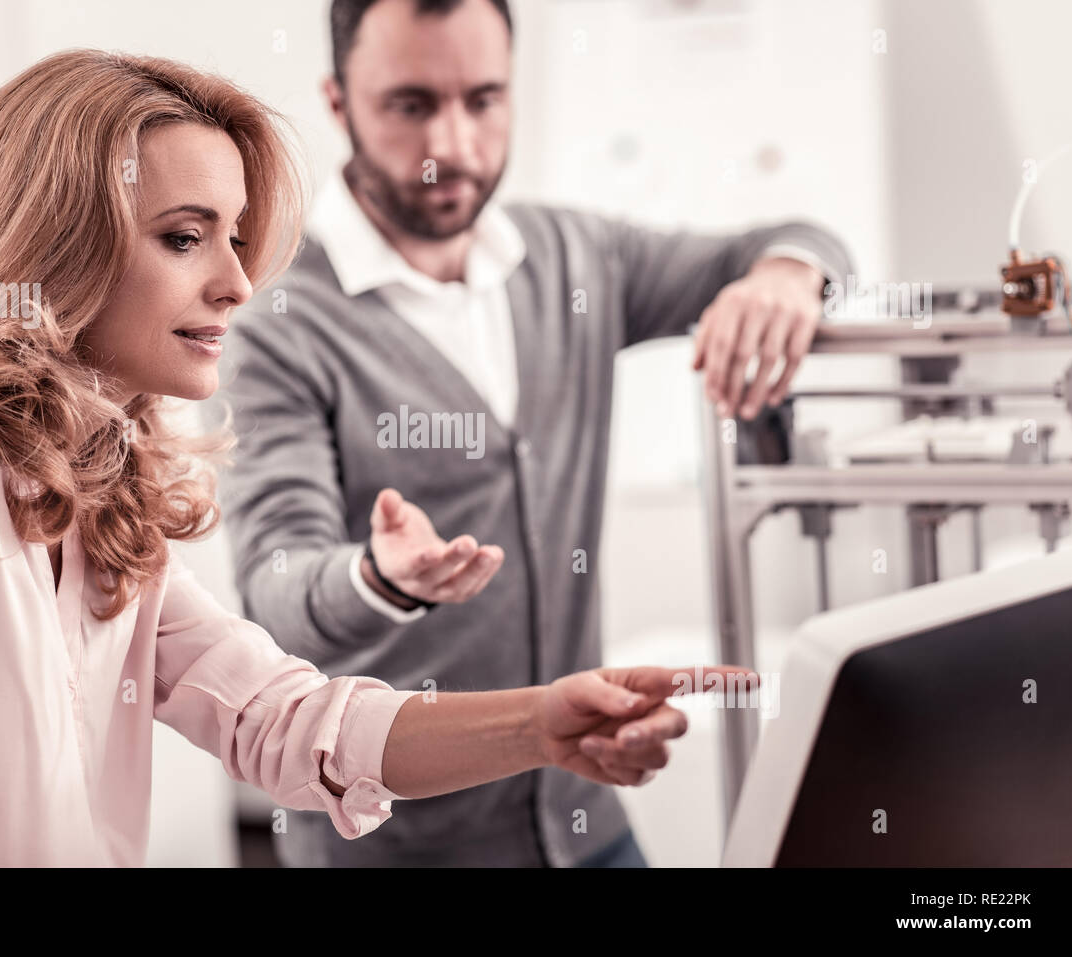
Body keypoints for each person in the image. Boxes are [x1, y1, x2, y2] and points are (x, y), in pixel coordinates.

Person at [0, 48, 737, 868]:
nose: (238, 282)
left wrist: (539, 725)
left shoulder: (98, 481)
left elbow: (284, 716)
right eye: (185, 237)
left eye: (235, 239)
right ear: (52, 243)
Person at [215, 0, 852, 867]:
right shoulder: (277, 316)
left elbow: (796, 237)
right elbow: (276, 585)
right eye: (411, 105)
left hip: (585, 819)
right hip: (393, 845)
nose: (457, 145)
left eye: (483, 99)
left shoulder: (576, 259)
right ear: (338, 103)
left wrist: (786, 275)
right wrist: (378, 579)